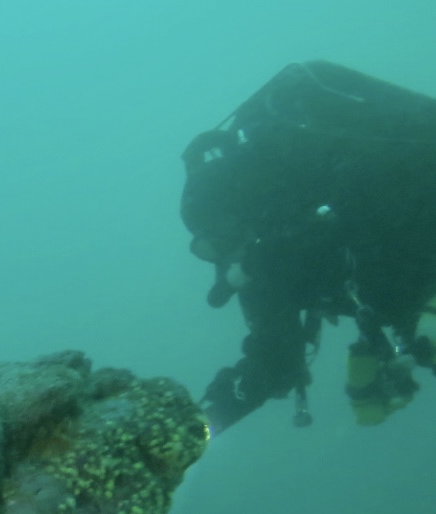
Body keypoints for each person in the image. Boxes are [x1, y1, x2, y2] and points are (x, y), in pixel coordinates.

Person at [181, 61, 436, 434]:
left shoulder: (338, 195)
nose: (226, 257)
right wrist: (198, 427)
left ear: (244, 213)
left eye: (220, 241)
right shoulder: (266, 267)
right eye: (208, 250)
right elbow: (275, 362)